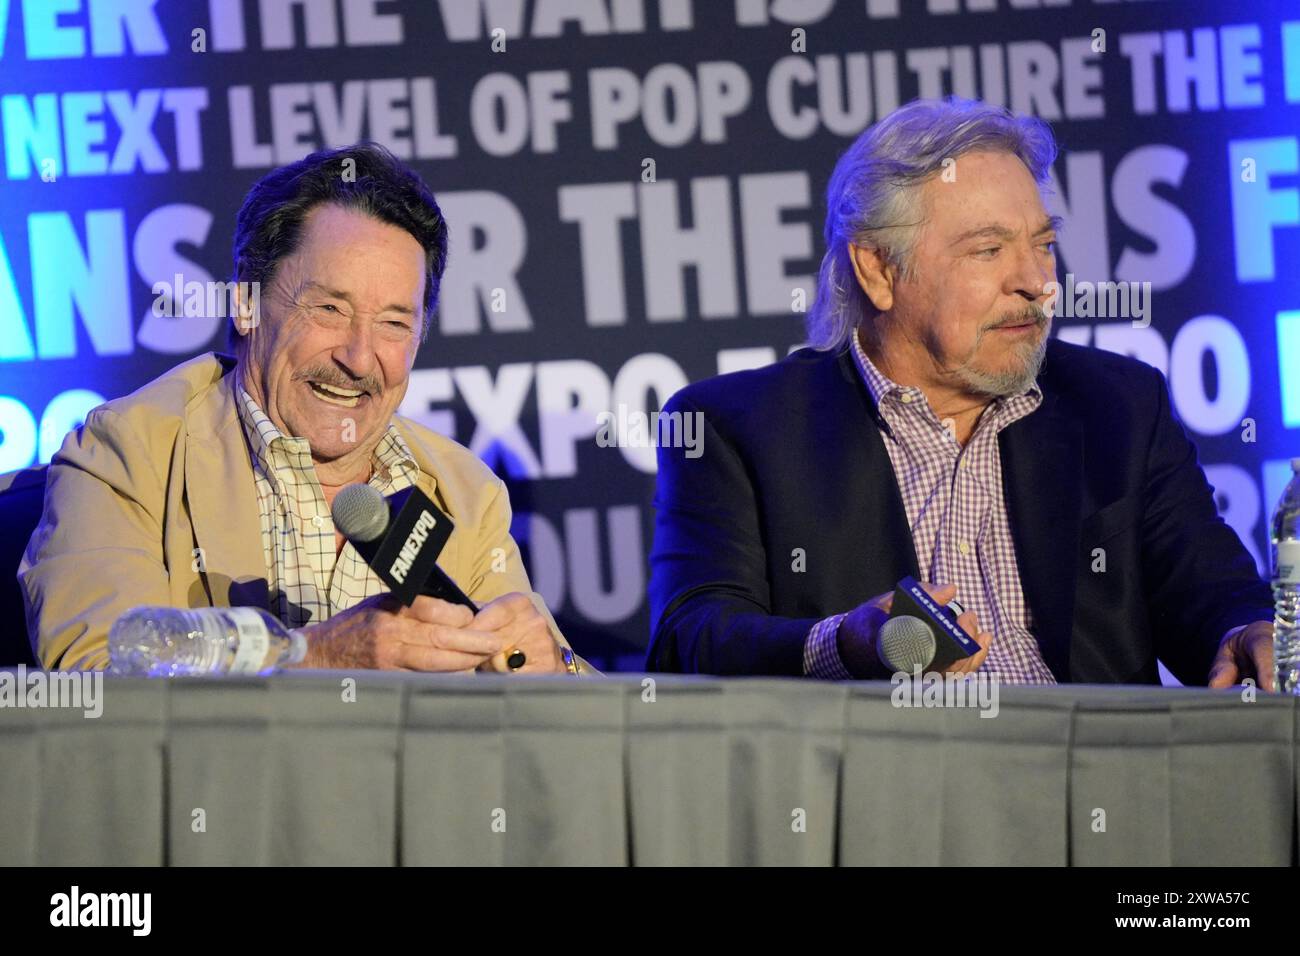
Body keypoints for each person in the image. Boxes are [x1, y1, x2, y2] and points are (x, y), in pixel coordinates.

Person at [647, 97, 1275, 687]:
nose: (1037, 282)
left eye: (1044, 245)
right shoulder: (738, 428)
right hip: (893, 785)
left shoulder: (1121, 405)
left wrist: (1245, 633)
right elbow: (692, 637)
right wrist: (845, 646)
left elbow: (1211, 591)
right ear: (880, 270)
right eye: (988, 250)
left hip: (1104, 777)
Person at [22, 142, 589, 676]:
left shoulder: (466, 493)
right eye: (328, 308)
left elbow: (577, 719)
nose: (359, 357)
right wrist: (313, 658)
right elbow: (100, 676)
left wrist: (550, 671)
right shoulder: (128, 453)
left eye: (394, 324)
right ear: (246, 300)